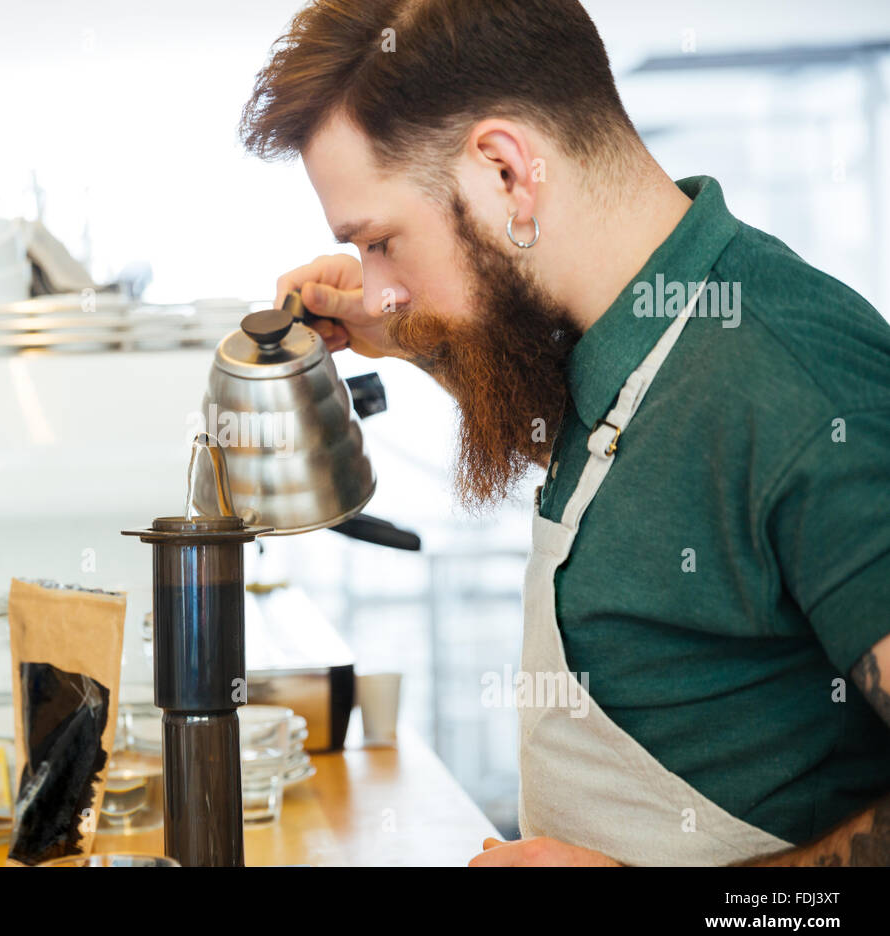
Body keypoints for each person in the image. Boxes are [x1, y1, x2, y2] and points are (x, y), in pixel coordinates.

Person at [240, 0, 890, 865]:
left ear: (506, 172)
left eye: (384, 242)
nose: (378, 285)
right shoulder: (624, 340)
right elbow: (655, 484)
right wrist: (412, 339)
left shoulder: (794, 380)